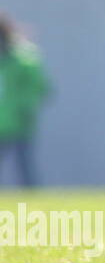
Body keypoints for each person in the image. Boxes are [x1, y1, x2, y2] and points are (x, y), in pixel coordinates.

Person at [0, 14, 50, 188]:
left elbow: (39, 88)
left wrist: (25, 107)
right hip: (3, 121)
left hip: (18, 121)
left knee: (24, 165)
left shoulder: (24, 60)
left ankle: (33, 201)